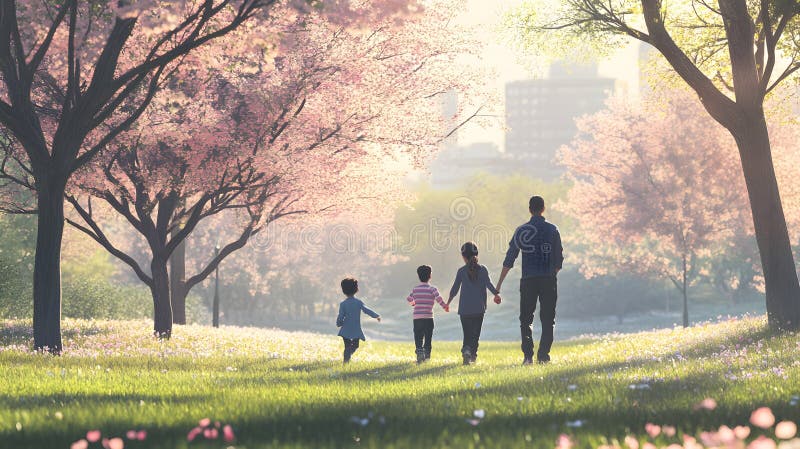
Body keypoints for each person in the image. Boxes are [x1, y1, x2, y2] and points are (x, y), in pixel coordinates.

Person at [496, 195, 564, 365]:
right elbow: (559, 260)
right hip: (548, 279)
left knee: (526, 318)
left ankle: (528, 356)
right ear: (543, 208)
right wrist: (551, 274)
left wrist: (498, 285)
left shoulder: (521, 230)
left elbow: (509, 259)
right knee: (548, 318)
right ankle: (543, 356)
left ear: (529, 209)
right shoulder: (553, 230)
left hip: (528, 280)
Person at [447, 242, 501, 365]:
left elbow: (454, 289)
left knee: (467, 333)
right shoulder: (483, 270)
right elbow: (489, 284)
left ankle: (466, 350)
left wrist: (448, 302)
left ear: (463, 256)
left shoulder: (461, 271)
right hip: (479, 309)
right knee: (475, 335)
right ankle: (473, 357)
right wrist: (496, 294)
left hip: (465, 310)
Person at [406, 265, 449, 364]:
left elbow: (409, 298)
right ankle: (427, 357)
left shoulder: (416, 289)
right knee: (428, 337)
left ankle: (419, 353)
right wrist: (445, 306)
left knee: (418, 336)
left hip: (417, 318)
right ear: (430, 276)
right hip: (428, 317)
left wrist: (414, 303)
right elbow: (439, 299)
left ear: (418, 276)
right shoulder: (432, 289)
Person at [336, 278, 381, 363]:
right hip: (356, 329)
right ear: (356, 289)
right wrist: (376, 316)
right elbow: (366, 310)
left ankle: (346, 358)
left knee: (347, 346)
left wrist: (339, 323)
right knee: (355, 345)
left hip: (346, 329)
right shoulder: (358, 302)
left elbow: (340, 316)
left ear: (343, 290)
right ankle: (347, 359)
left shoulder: (343, 304)